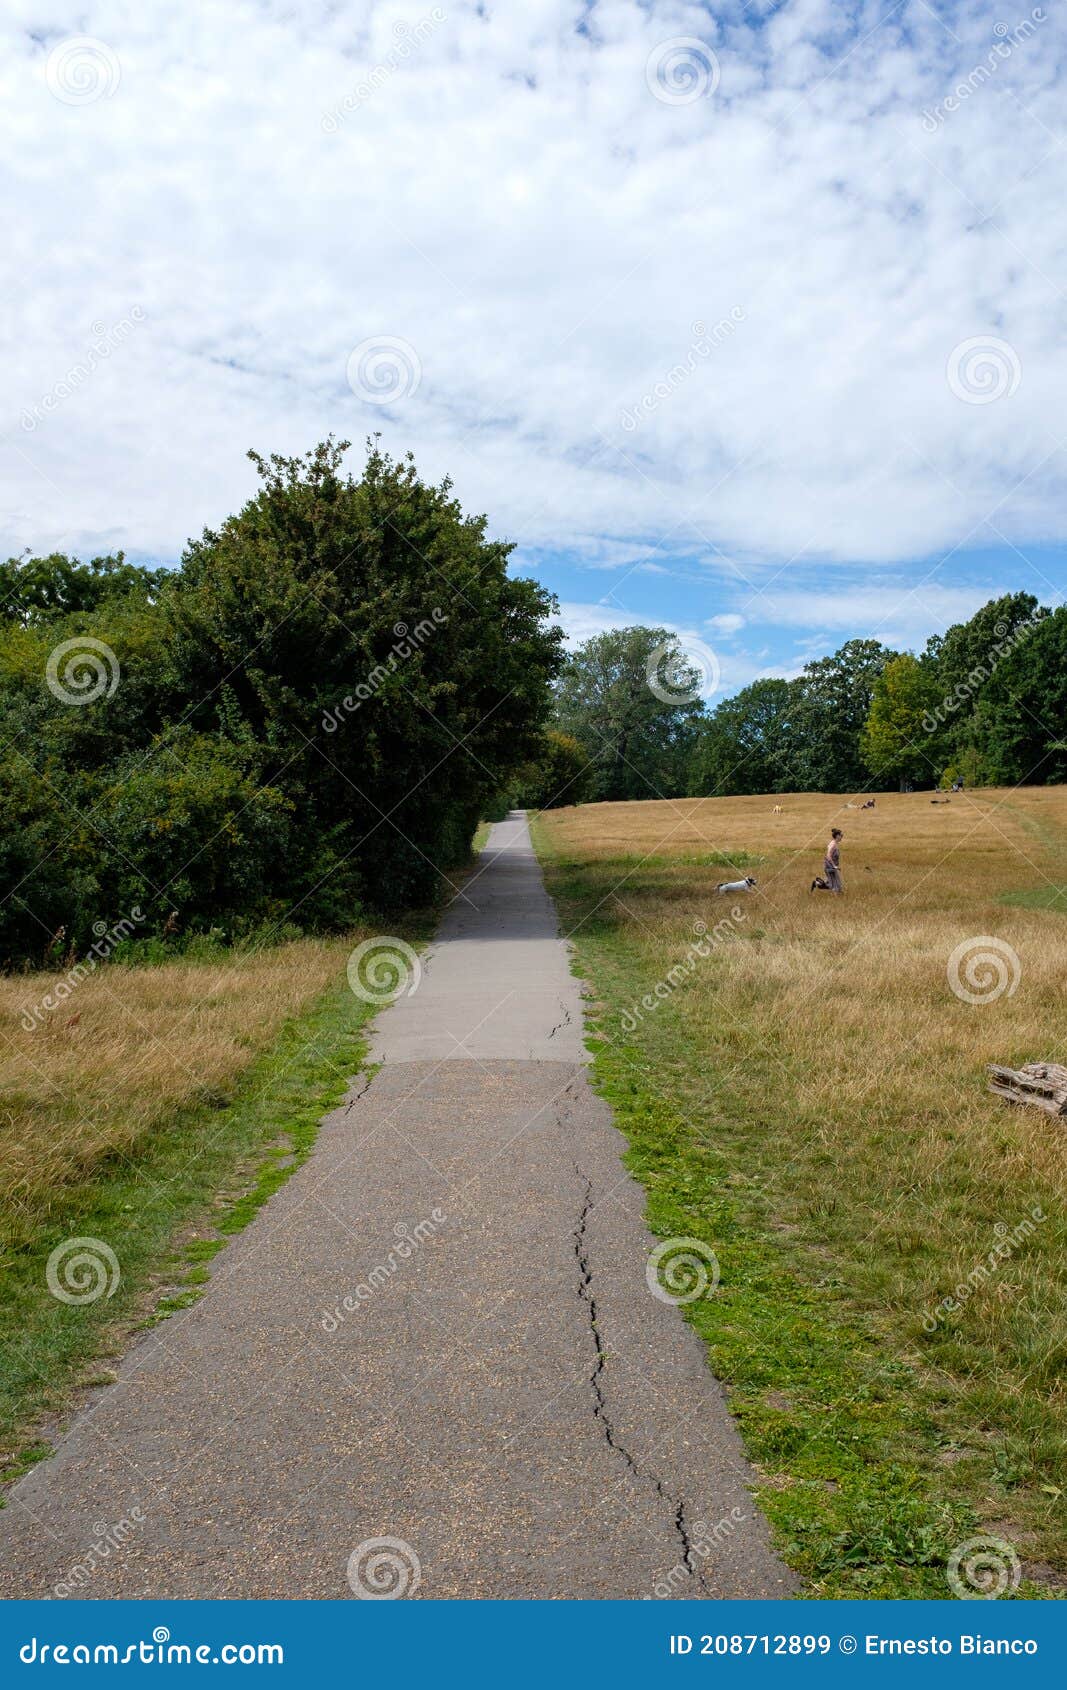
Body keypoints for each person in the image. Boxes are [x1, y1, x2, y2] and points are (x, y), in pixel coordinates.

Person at [823, 827, 843, 894]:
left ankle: (823, 883)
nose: (842, 837)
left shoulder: (836, 844)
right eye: (841, 835)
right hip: (830, 867)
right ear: (837, 836)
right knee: (836, 887)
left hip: (831, 867)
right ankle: (818, 883)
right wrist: (834, 866)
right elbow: (828, 856)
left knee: (837, 886)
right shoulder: (833, 844)